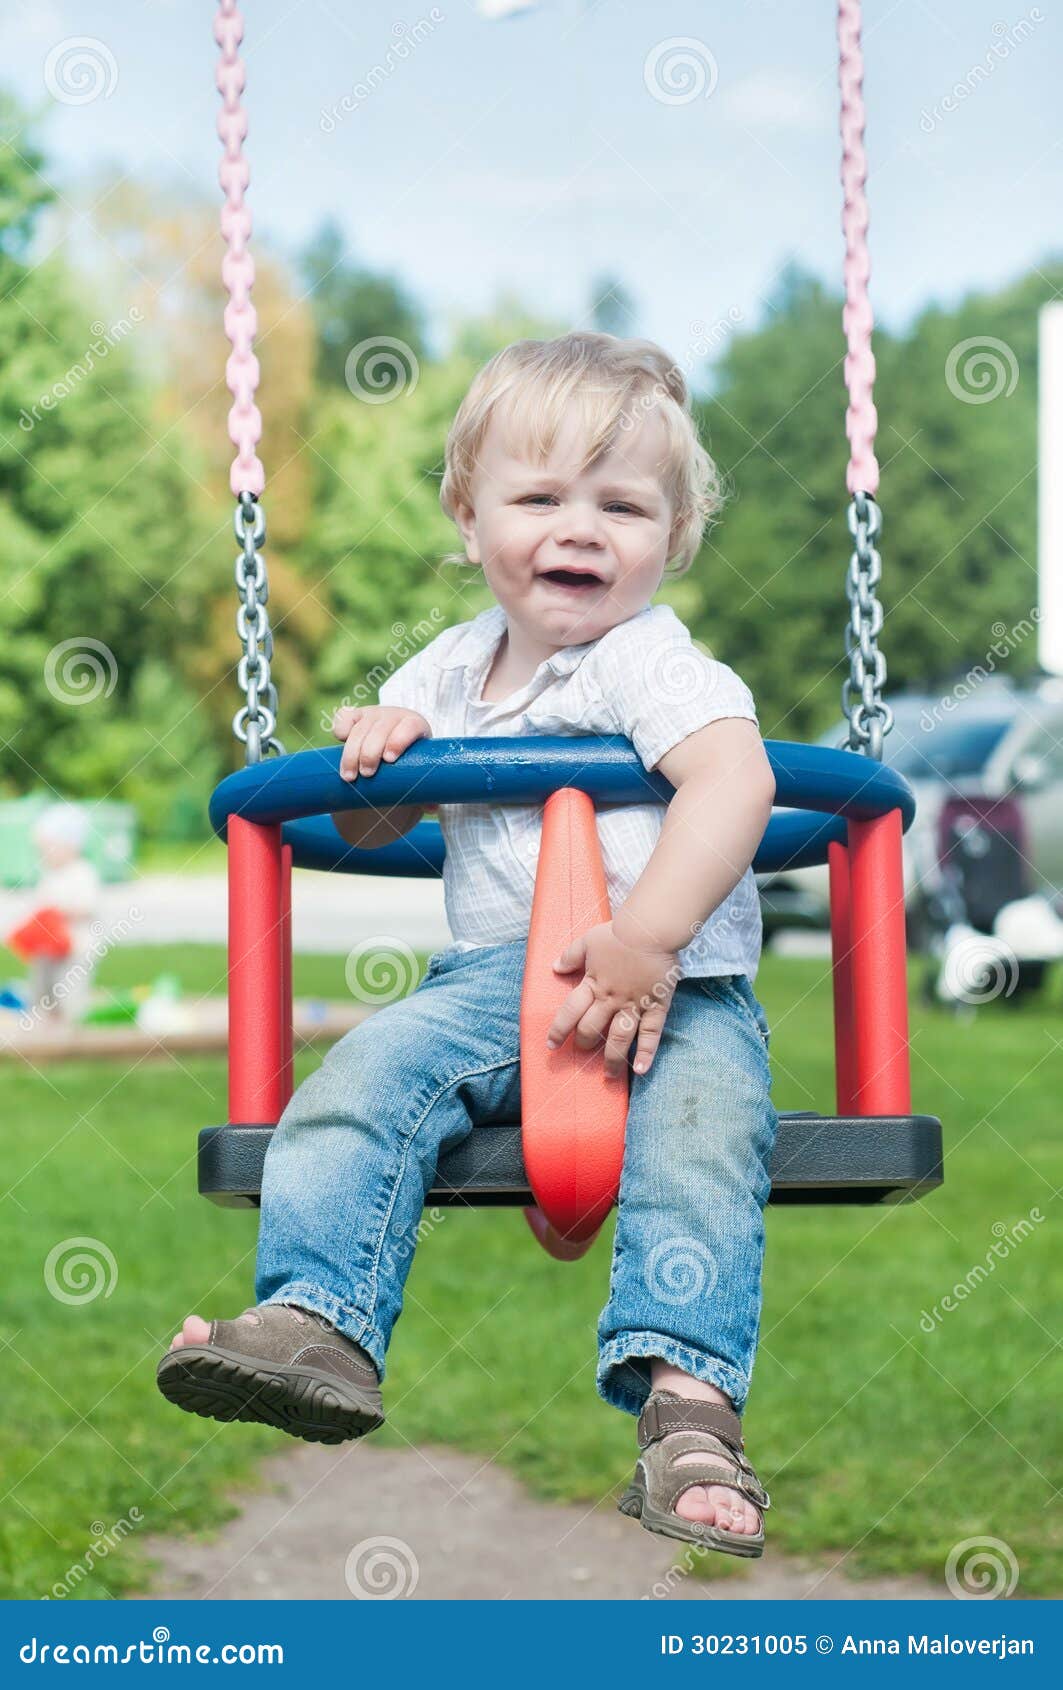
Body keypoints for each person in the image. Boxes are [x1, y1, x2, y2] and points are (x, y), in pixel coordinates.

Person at [158, 332, 778, 1557]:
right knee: (360, 1080)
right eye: (540, 497)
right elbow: (375, 819)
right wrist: (383, 747)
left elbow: (733, 779)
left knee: (704, 1145)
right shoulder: (442, 671)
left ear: (674, 532)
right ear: (468, 510)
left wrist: (645, 940)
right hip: (500, 983)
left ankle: (689, 1407)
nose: (580, 528)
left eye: (622, 504)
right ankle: (316, 1319)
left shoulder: (648, 658)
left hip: (679, 988)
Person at [21, 803, 101, 1027]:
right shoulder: (49, 875)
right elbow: (40, 906)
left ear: (71, 846)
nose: (42, 855)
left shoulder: (82, 873)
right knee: (42, 987)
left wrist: (59, 912)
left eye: (47, 848)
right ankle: (45, 1022)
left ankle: (69, 1027)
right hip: (49, 947)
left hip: (76, 948)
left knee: (69, 989)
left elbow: (86, 906)